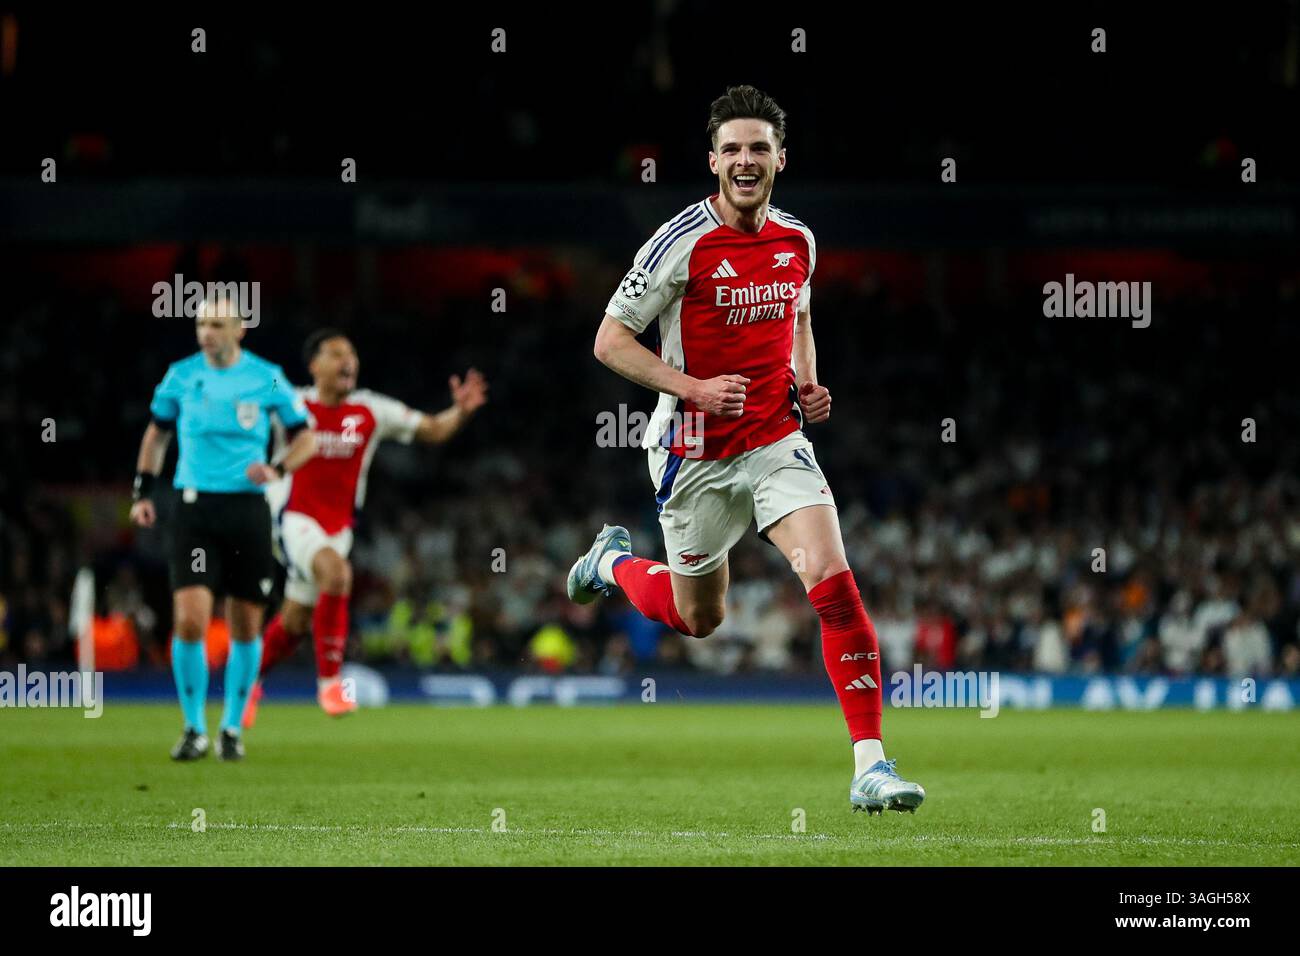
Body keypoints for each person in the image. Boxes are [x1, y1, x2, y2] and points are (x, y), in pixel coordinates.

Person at [566, 85, 925, 813]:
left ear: (780, 159)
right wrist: (690, 386)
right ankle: (610, 561)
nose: (745, 159)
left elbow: (799, 313)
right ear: (712, 162)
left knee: (831, 576)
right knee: (701, 619)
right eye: (732, 148)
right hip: (691, 450)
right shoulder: (679, 244)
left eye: (758, 147)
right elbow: (609, 341)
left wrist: (808, 381)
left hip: (774, 440)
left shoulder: (799, 240)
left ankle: (870, 766)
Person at [243, 329, 488, 724]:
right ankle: (329, 685)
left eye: (352, 354)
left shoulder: (370, 410)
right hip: (290, 516)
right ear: (314, 365)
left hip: (337, 528)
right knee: (337, 573)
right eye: (337, 354)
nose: (348, 362)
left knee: (294, 621)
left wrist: (459, 411)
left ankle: (246, 685)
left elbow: (432, 429)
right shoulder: (292, 403)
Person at [130, 295, 316, 761]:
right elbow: (157, 435)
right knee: (190, 620)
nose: (206, 332)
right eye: (200, 324)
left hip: (248, 512)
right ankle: (194, 727)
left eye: (216, 323)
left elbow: (306, 436)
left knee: (246, 626)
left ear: (240, 329)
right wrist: (142, 493)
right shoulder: (180, 375)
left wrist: (278, 467)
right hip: (195, 509)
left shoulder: (266, 375)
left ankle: (231, 728)